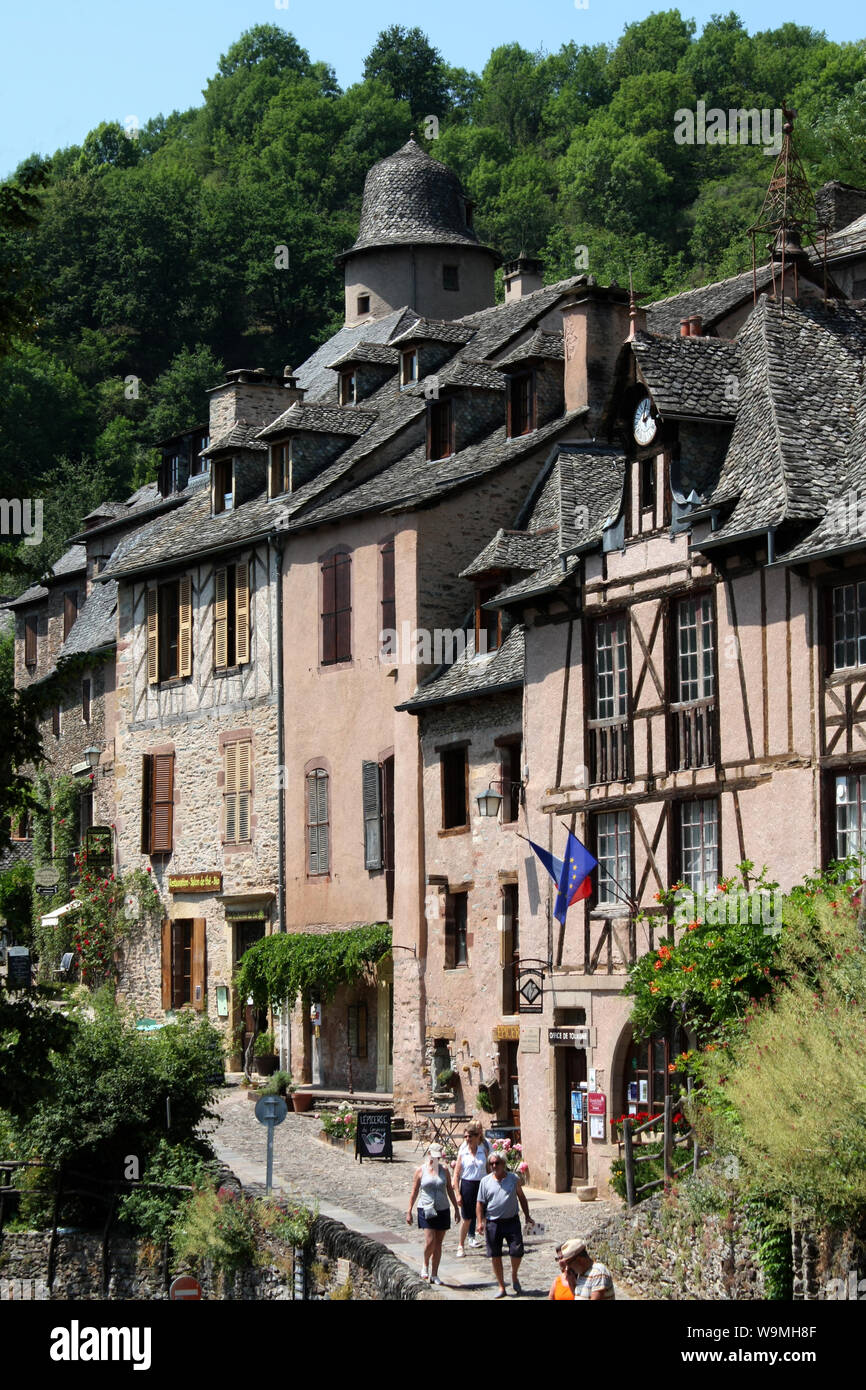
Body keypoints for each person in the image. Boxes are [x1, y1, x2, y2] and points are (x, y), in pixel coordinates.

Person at [476, 1153, 531, 1298]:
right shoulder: (485, 1181)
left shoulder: (513, 1179)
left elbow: (522, 1197)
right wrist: (480, 1222)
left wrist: (527, 1216)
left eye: (497, 1163)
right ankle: (501, 1286)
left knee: (517, 1251)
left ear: (503, 1164)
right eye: (492, 1163)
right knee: (495, 1254)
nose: (494, 1166)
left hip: (511, 1221)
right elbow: (480, 1203)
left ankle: (514, 1275)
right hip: (493, 1223)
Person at [406, 1142, 461, 1285]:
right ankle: (425, 1264)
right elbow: (414, 1191)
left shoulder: (444, 1170)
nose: (435, 1159)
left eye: (438, 1157)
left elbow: (449, 1189)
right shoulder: (421, 1170)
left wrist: (456, 1208)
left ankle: (435, 1274)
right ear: (429, 1154)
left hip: (442, 1208)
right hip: (426, 1208)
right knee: (430, 1241)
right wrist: (409, 1210)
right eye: (433, 1156)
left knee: (438, 1243)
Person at [452, 1121, 490, 1257]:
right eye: (466, 1136)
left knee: (485, 1217)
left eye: (470, 1136)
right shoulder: (463, 1153)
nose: (468, 1139)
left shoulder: (483, 1151)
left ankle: (491, 1244)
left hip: (482, 1185)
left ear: (477, 1136)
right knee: (467, 1218)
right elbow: (456, 1175)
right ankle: (461, 1245)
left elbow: (488, 1170)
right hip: (467, 1186)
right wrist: (458, 1194)